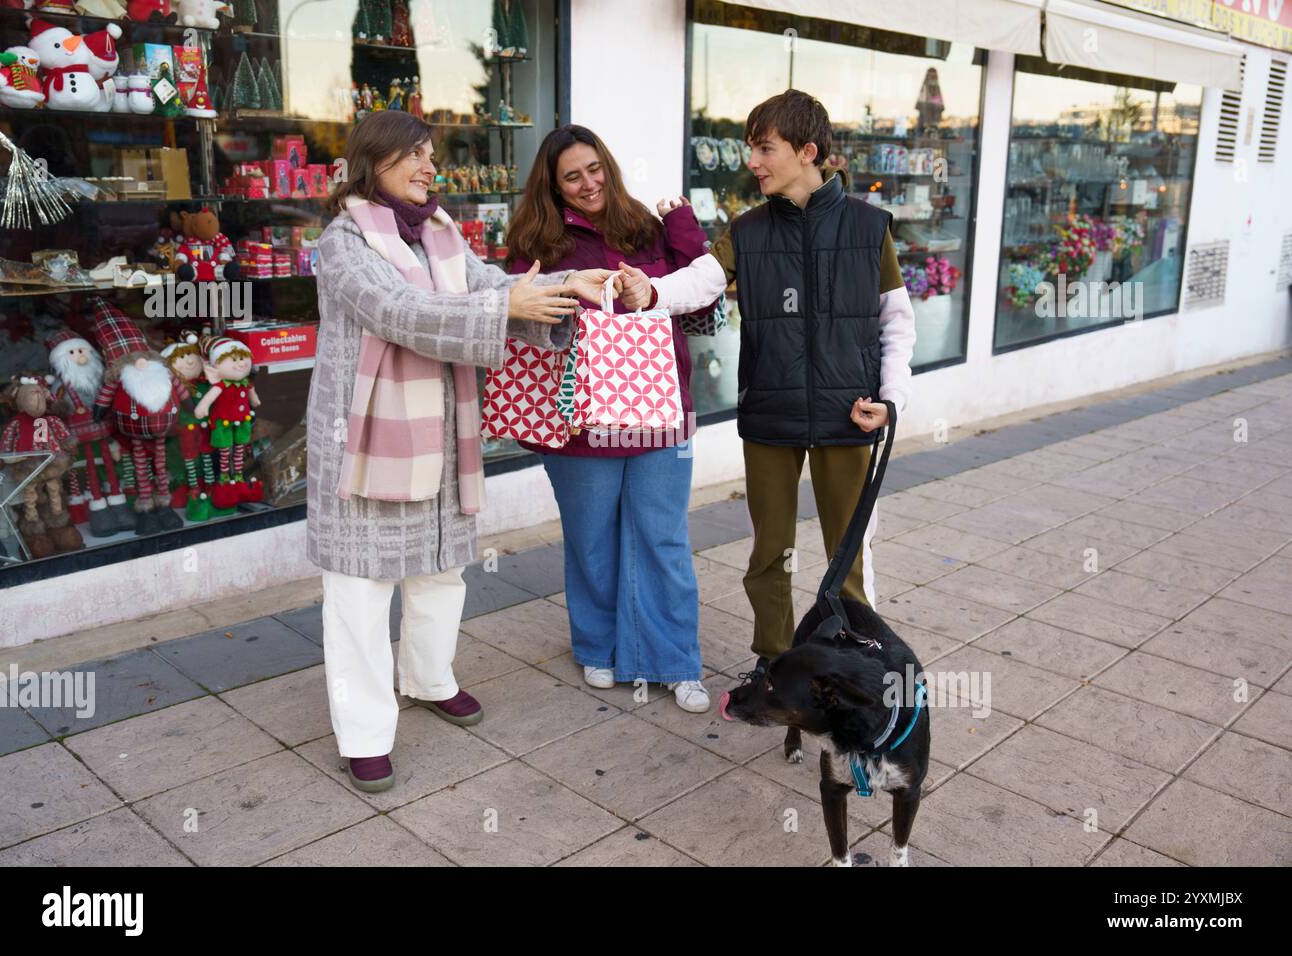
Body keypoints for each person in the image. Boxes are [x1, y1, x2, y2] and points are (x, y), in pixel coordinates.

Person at [308, 111, 610, 792]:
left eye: (429, 154)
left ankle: (428, 678)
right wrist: (511, 307)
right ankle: (363, 732)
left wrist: (565, 293)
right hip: (368, 440)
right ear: (371, 163)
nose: (427, 166)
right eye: (412, 155)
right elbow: (401, 314)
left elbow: (491, 289)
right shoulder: (343, 242)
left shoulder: (441, 232)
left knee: (442, 567)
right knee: (360, 588)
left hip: (443, 434)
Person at [616, 90, 916, 677]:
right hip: (770, 416)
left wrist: (891, 401)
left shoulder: (868, 226)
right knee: (768, 555)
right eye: (750, 147)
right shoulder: (748, 229)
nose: (752, 161)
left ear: (807, 152)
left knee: (849, 555)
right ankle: (775, 666)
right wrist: (650, 294)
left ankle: (855, 665)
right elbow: (699, 281)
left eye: (763, 148)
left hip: (848, 414)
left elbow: (896, 323)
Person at [505, 124, 713, 713]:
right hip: (576, 416)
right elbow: (519, 319)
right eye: (572, 176)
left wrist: (681, 231)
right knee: (592, 540)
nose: (588, 183)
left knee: (664, 538)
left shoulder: (646, 224)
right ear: (552, 186)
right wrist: (571, 290)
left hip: (659, 409)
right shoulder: (534, 238)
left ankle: (675, 661)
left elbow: (705, 297)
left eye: (595, 169)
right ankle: (597, 646)